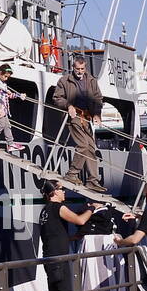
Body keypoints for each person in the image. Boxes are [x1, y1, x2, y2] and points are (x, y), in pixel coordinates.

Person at [38, 179, 101, 291]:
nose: (64, 192)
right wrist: (92, 208)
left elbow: (54, 233)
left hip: (51, 256)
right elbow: (80, 220)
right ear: (54, 192)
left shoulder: (45, 210)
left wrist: (73, 237)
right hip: (58, 257)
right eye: (61, 189)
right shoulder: (58, 207)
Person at [50, 54, 104, 190]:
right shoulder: (64, 80)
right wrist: (68, 105)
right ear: (72, 67)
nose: (80, 71)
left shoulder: (91, 80)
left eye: (82, 69)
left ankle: (93, 180)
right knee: (83, 145)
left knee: (91, 147)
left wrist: (97, 114)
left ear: (85, 68)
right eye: (77, 69)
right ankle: (72, 174)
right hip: (73, 116)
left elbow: (98, 99)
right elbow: (57, 98)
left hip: (87, 117)